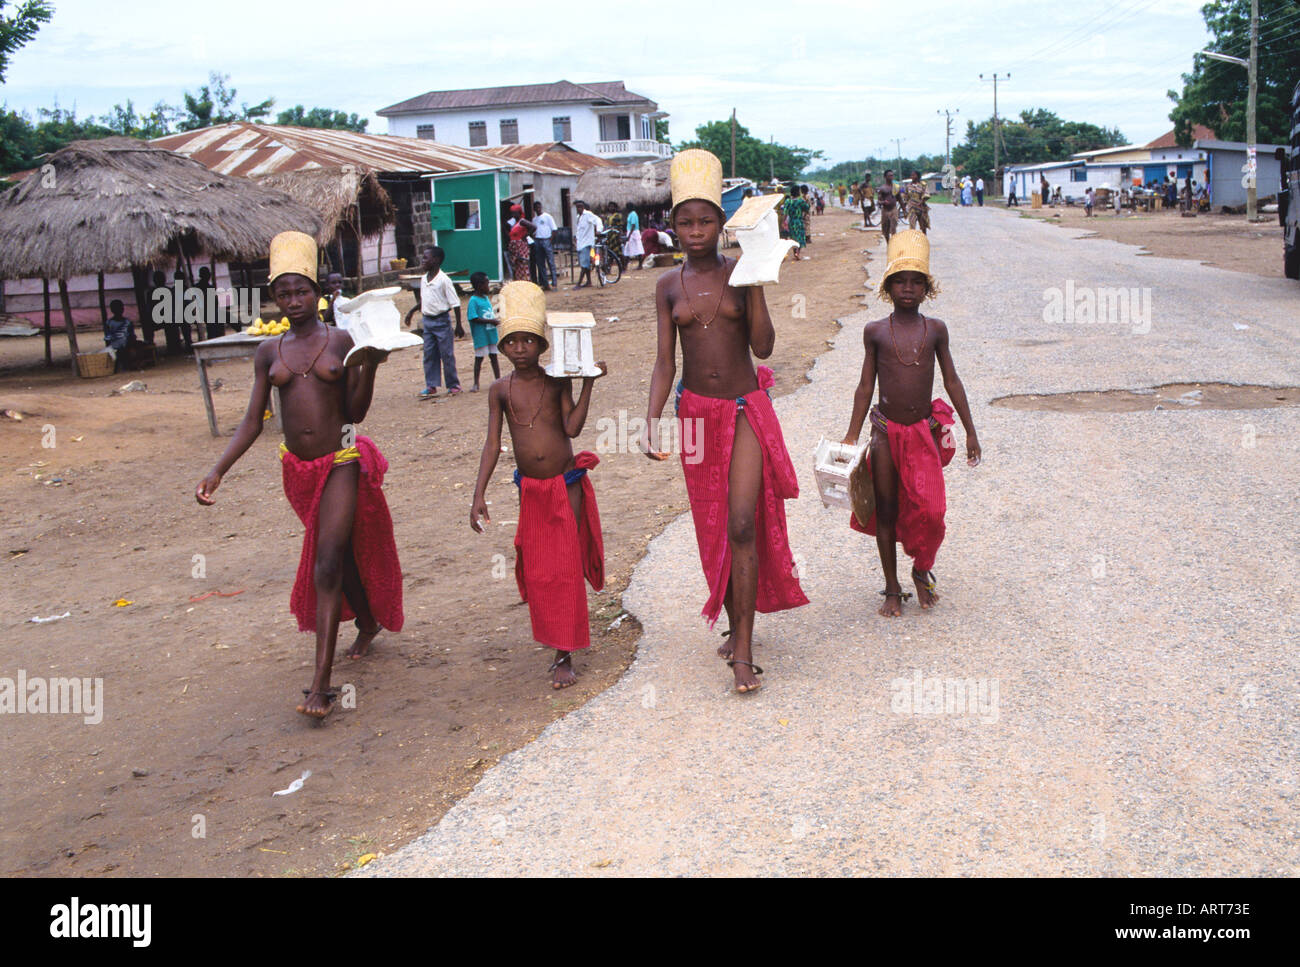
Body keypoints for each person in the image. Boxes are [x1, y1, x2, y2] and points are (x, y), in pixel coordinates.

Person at [195, 231, 402, 718]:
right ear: (275, 298)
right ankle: (367, 619)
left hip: (343, 463)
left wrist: (369, 367)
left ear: (318, 293)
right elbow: (253, 421)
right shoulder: (269, 352)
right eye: (283, 292)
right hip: (298, 470)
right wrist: (217, 470)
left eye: (301, 290)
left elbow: (355, 412)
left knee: (325, 561)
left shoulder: (342, 340)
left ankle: (320, 686)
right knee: (339, 554)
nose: (293, 300)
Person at [642, 149, 808, 694]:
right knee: (714, 527)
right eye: (686, 221)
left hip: (742, 411)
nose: (696, 231)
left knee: (741, 522)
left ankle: (744, 649)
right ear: (673, 226)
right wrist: (650, 419)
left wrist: (756, 279)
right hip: (695, 415)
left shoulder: (741, 274)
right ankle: (737, 621)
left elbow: (763, 347)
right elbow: (666, 360)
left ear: (721, 222)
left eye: (706, 220)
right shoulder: (668, 287)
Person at [470, 281, 607, 689]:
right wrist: (478, 494)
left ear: (541, 346)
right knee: (541, 568)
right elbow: (493, 443)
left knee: (564, 567)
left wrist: (587, 382)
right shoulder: (499, 391)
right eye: (513, 341)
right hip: (530, 490)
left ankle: (564, 653)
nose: (521, 348)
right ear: (503, 347)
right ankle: (556, 639)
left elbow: (572, 428)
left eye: (529, 341)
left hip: (567, 485)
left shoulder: (556, 381)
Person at [840, 230, 980, 617]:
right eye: (900, 281)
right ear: (888, 286)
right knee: (886, 510)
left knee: (931, 511)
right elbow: (866, 384)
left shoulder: (935, 330)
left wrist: (970, 429)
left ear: (926, 289)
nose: (908, 288)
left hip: (921, 433)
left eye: (916, 281)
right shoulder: (875, 332)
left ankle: (921, 568)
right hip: (884, 433)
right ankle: (890, 587)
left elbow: (951, 380)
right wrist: (852, 436)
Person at [417, 245, 462, 399]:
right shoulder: (424, 279)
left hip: (441, 321)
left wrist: (459, 325)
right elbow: (424, 300)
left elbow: (455, 303)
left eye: (425, 258)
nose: (422, 261)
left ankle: (453, 385)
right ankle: (431, 385)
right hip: (427, 321)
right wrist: (411, 312)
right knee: (429, 354)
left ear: (435, 260)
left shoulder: (444, 280)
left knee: (447, 354)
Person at [465, 271, 501, 391]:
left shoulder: (485, 298)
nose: (488, 286)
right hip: (481, 335)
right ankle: (476, 383)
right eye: (487, 284)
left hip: (490, 333)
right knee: (479, 358)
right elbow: (473, 317)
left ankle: (498, 380)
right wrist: (490, 321)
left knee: (494, 357)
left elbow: (489, 312)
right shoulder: (473, 301)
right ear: (480, 285)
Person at [573, 200, 602, 289]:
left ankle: (579, 283)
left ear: (583, 207)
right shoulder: (579, 217)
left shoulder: (588, 215)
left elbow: (598, 220)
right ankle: (589, 281)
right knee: (585, 263)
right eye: (577, 207)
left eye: (580, 207)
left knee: (584, 264)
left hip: (587, 243)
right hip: (580, 243)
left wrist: (598, 230)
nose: (579, 209)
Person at [103, 299, 137, 372]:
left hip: (126, 346)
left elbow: (132, 336)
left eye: (120, 308)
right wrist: (109, 349)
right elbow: (107, 338)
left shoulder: (127, 322)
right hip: (115, 347)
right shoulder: (109, 323)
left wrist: (132, 346)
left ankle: (126, 364)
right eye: (117, 309)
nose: (119, 310)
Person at [531, 201, 558, 290]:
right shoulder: (534, 220)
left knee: (550, 262)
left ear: (541, 207)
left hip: (546, 240)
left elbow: (554, 229)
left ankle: (554, 283)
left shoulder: (547, 217)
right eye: (536, 208)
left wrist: (550, 240)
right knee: (540, 263)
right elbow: (533, 232)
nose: (538, 209)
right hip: (537, 241)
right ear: (534, 209)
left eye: (539, 207)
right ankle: (545, 283)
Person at [506, 204, 533, 282]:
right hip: (515, 247)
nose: (513, 215)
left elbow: (533, 227)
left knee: (523, 265)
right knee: (517, 267)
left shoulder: (522, 221)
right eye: (512, 213)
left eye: (514, 213)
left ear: (518, 212)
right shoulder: (515, 222)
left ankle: (526, 283)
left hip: (520, 247)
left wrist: (526, 236)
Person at [783, 184, 810, 259]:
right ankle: (798, 253)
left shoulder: (788, 201)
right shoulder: (800, 201)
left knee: (793, 238)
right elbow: (807, 208)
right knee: (800, 237)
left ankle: (795, 252)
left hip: (791, 222)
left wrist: (783, 221)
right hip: (799, 221)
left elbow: (785, 213)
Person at [902, 170, 931, 234]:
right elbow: (906, 197)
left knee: (923, 224)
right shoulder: (908, 186)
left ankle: (924, 238)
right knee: (912, 224)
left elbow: (926, 194)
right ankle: (913, 240)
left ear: (917, 176)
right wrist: (904, 207)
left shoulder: (923, 185)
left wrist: (922, 201)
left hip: (921, 207)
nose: (912, 176)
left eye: (913, 175)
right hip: (912, 207)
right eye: (911, 175)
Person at [878, 170, 900, 242]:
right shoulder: (882, 188)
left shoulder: (896, 187)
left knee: (893, 227)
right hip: (885, 210)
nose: (891, 177)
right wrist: (883, 202)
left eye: (892, 175)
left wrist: (904, 210)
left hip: (893, 209)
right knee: (885, 230)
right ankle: (888, 243)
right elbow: (879, 201)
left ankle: (894, 246)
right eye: (889, 175)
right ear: (885, 177)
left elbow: (900, 198)